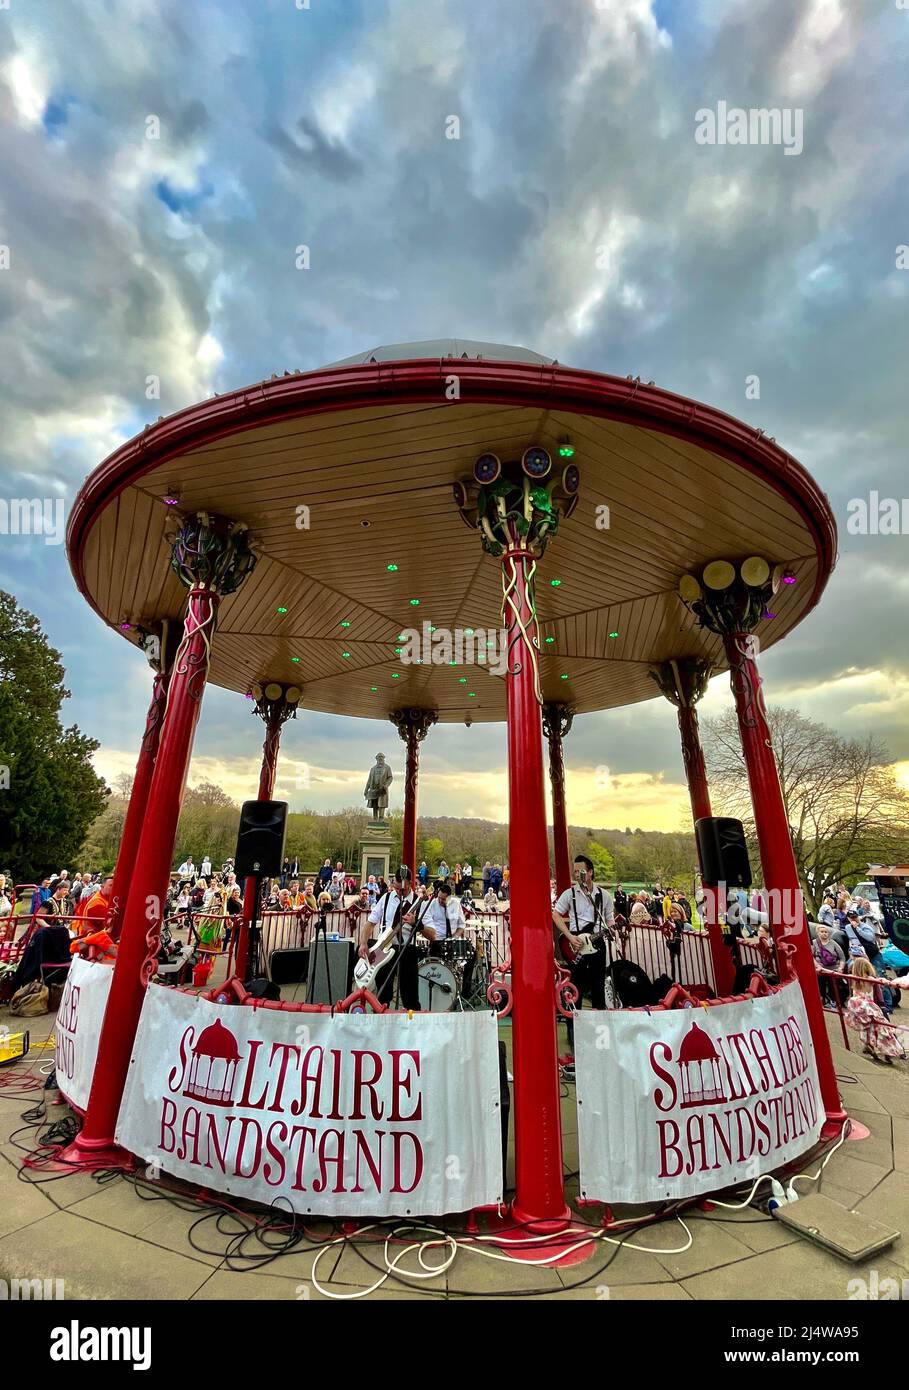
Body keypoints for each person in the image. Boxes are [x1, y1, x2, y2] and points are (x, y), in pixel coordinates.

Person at [552, 855, 615, 1049]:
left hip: (597, 944)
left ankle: (599, 1034)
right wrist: (570, 937)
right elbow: (555, 913)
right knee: (575, 988)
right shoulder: (569, 893)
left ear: (590, 872)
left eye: (581, 871)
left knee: (598, 987)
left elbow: (610, 919)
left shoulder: (603, 895)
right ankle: (574, 1033)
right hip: (577, 944)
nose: (577, 874)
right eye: (575, 870)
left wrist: (613, 928)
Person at [359, 866, 432, 1010]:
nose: (399, 892)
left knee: (410, 996)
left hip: (407, 949)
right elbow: (370, 924)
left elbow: (433, 934)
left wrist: (417, 923)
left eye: (402, 890)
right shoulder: (386, 898)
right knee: (382, 995)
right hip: (384, 948)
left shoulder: (420, 903)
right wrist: (363, 943)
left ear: (411, 884)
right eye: (396, 888)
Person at [845, 958, 905, 1064]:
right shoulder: (870, 979)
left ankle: (869, 1045)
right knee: (883, 1029)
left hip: (858, 1008)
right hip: (869, 1007)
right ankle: (889, 1052)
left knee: (868, 1029)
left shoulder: (854, 979)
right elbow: (879, 990)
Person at [812, 922, 846, 1005]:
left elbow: (842, 957)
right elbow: (811, 956)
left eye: (825, 932)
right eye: (822, 932)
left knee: (835, 987)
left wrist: (840, 968)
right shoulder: (814, 943)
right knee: (821, 985)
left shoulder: (833, 943)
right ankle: (823, 1000)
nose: (824, 934)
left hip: (833, 969)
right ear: (818, 933)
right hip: (821, 970)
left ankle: (835, 1002)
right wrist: (818, 966)